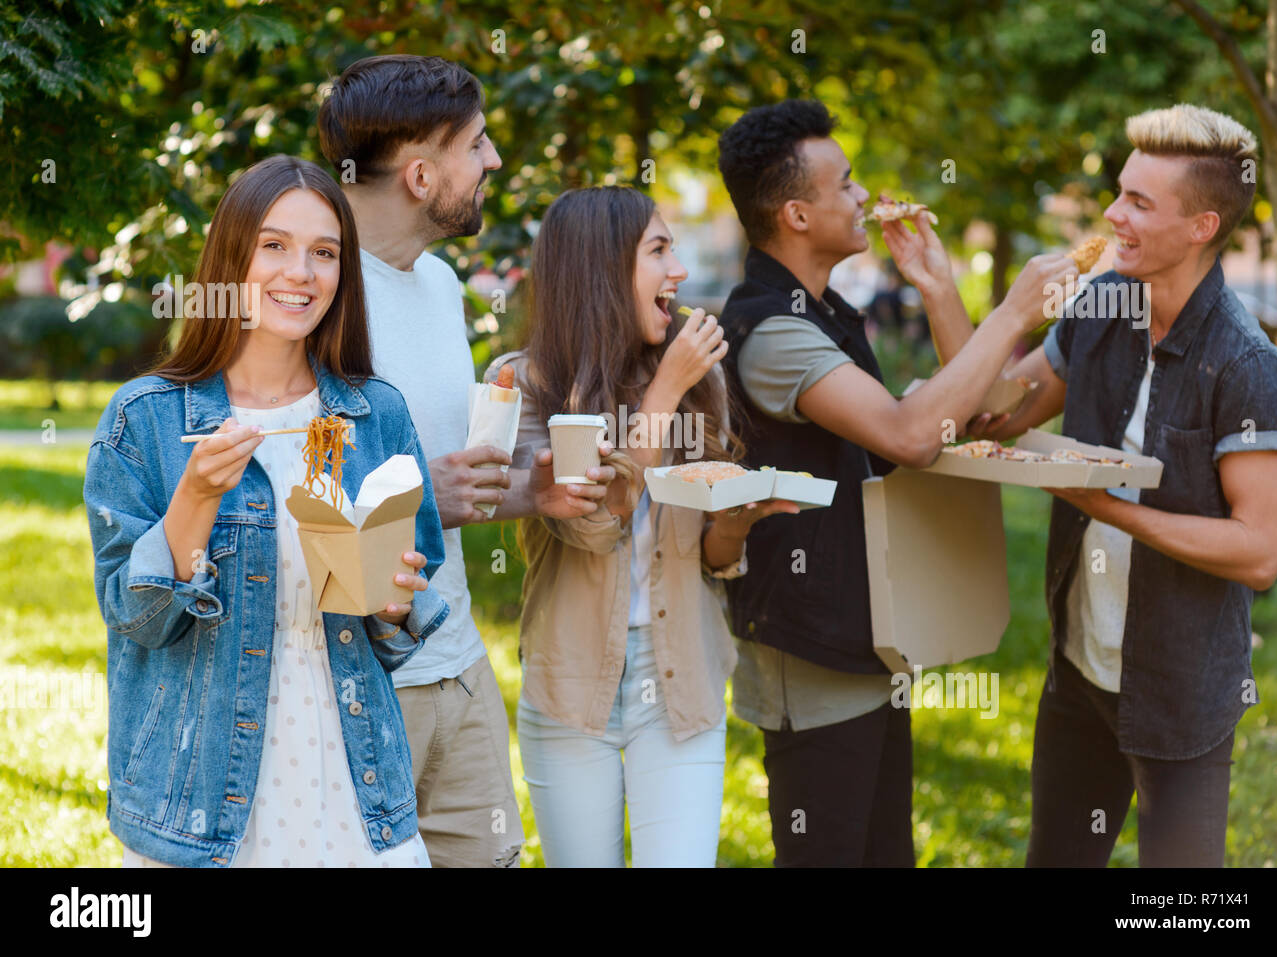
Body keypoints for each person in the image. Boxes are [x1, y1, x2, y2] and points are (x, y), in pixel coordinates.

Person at [714, 99, 1075, 866]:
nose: (862, 196)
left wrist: (941, 289)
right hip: (810, 652)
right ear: (797, 215)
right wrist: (1014, 311)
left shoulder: (824, 309)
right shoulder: (771, 331)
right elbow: (911, 437)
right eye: (845, 183)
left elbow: (979, 412)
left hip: (870, 638)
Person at [85, 154, 448, 867]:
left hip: (355, 777)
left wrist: (394, 601)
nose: (300, 273)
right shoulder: (147, 420)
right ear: (230, 258)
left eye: (324, 253)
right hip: (200, 789)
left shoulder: (375, 414)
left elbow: (398, 620)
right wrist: (194, 496)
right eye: (274, 246)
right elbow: (136, 618)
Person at [964, 104, 1277, 867]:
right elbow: (999, 412)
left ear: (1201, 227)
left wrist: (1106, 506)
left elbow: (1259, 551)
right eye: (1120, 192)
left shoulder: (1245, 366)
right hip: (1079, 670)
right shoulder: (1103, 302)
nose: (1113, 214)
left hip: (1182, 691)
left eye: (1139, 202)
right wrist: (978, 303)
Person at [317, 54, 616, 868]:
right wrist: (421, 501)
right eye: (477, 145)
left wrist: (531, 492)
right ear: (420, 174)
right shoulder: (313, 295)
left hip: (456, 661)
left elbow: (456, 487)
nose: (493, 162)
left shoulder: (442, 284)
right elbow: (282, 493)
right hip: (359, 675)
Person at [493, 186, 797, 867]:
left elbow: (715, 559)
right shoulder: (526, 384)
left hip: (681, 683)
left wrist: (738, 521)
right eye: (658, 250)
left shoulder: (698, 382)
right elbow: (594, 523)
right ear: (601, 269)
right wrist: (662, 393)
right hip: (573, 691)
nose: (679, 272)